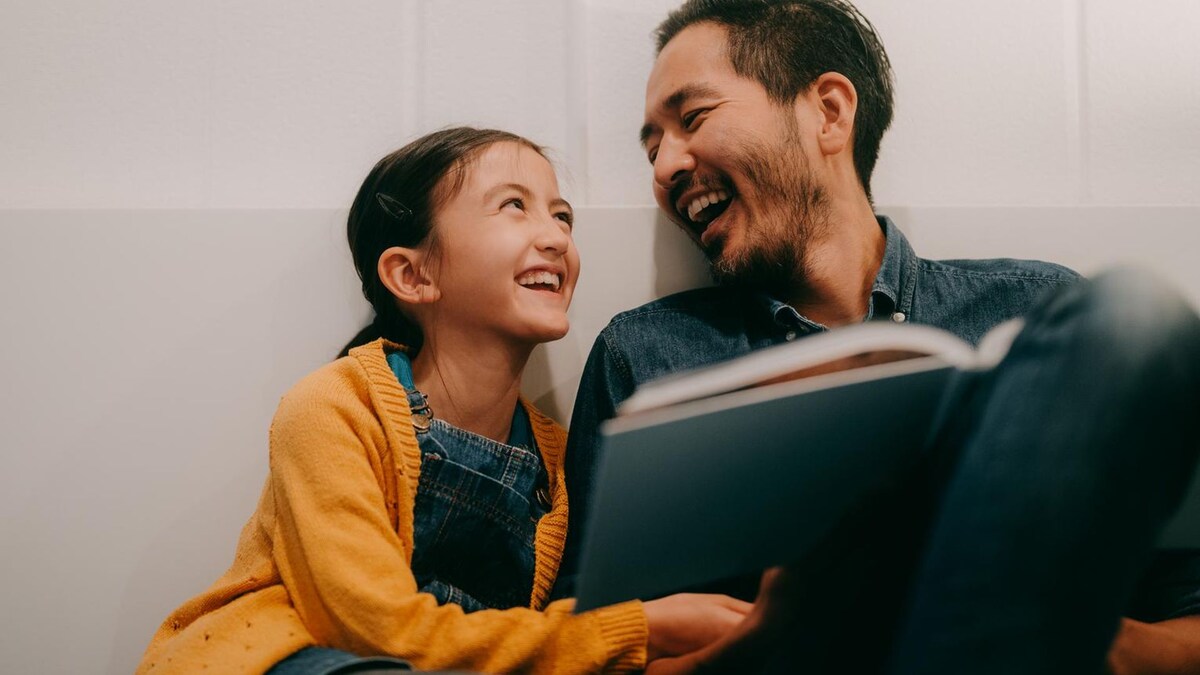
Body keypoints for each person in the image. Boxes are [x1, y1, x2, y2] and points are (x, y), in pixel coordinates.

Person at [554, 1, 1200, 673]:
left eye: (692, 119)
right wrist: (776, 637)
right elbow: (589, 655)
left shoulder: (1038, 312)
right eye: (652, 147)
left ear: (829, 112)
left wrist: (1065, 628)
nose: (664, 168)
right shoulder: (644, 354)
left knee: (1132, 312)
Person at [136, 127, 754, 675]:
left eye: (562, 216)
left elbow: (518, 645)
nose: (556, 237)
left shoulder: (556, 460)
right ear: (412, 276)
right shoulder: (335, 409)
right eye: (515, 206)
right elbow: (372, 630)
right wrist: (637, 629)